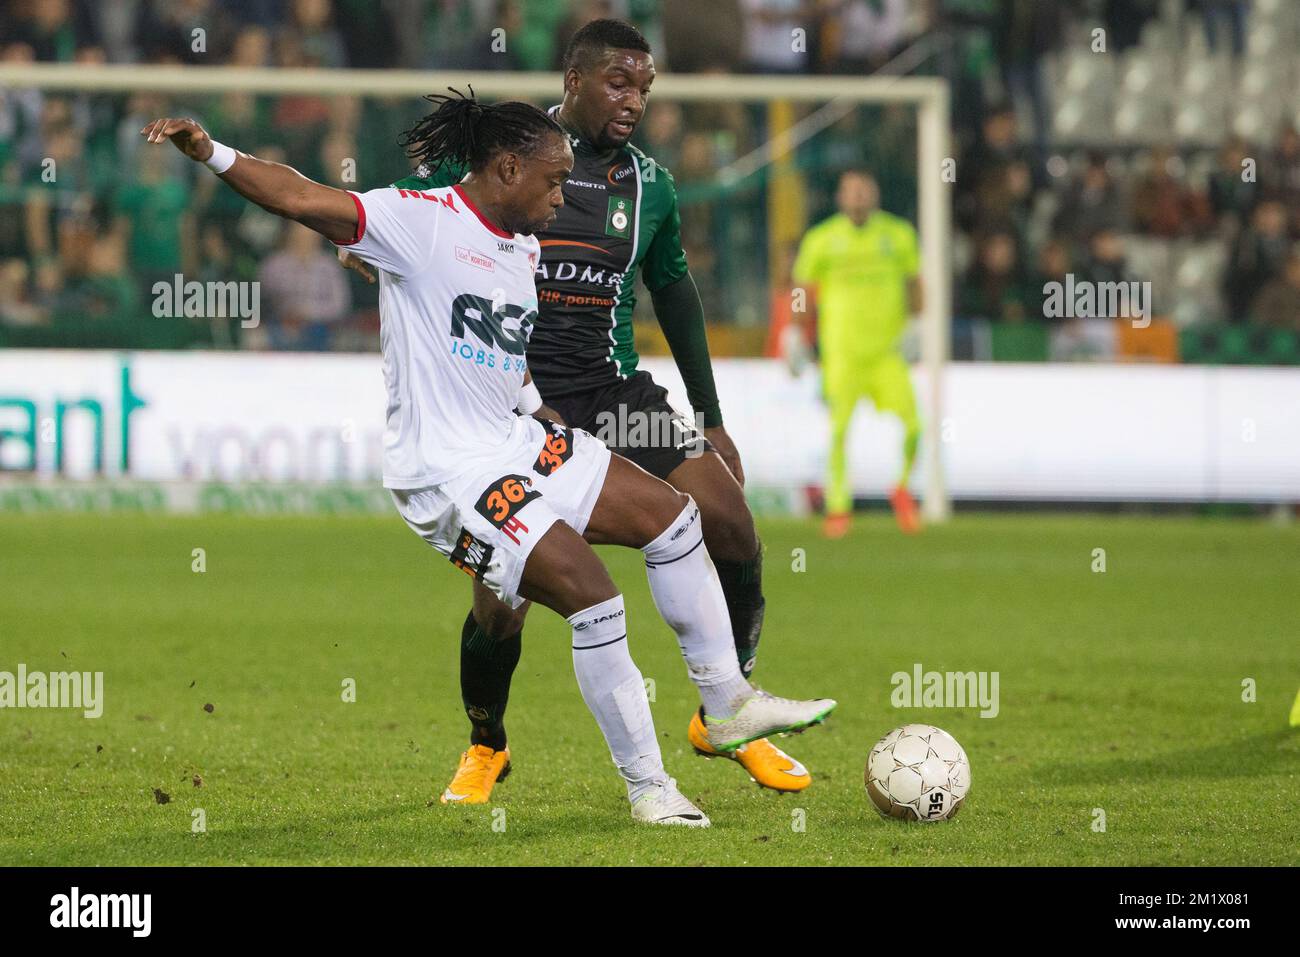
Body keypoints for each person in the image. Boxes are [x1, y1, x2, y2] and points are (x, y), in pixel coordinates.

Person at [140, 91, 834, 828]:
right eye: (554, 181)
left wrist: (537, 407)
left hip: (518, 437)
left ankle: (726, 703)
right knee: (593, 596)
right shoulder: (420, 221)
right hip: (448, 471)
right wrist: (211, 151)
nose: (564, 197)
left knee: (676, 520)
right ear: (506, 168)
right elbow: (301, 196)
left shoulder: (522, 243)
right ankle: (649, 787)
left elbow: (495, 344)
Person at [340, 19, 809, 804]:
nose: (633, 103)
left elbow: (677, 294)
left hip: (609, 390)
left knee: (727, 514)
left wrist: (711, 414)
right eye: (619, 84)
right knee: (502, 608)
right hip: (507, 407)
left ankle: (728, 708)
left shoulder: (651, 185)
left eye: (645, 90)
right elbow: (391, 234)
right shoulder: (503, 149)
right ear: (574, 79)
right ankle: (487, 742)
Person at [791, 168, 923, 539]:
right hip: (842, 353)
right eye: (852, 191)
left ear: (875, 194)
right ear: (841, 197)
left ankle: (901, 488)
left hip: (886, 353)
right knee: (838, 432)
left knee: (915, 426)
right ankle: (838, 508)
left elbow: (915, 283)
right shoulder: (822, 239)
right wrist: (795, 333)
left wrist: (917, 325)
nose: (859, 196)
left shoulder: (898, 235)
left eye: (865, 189)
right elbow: (802, 288)